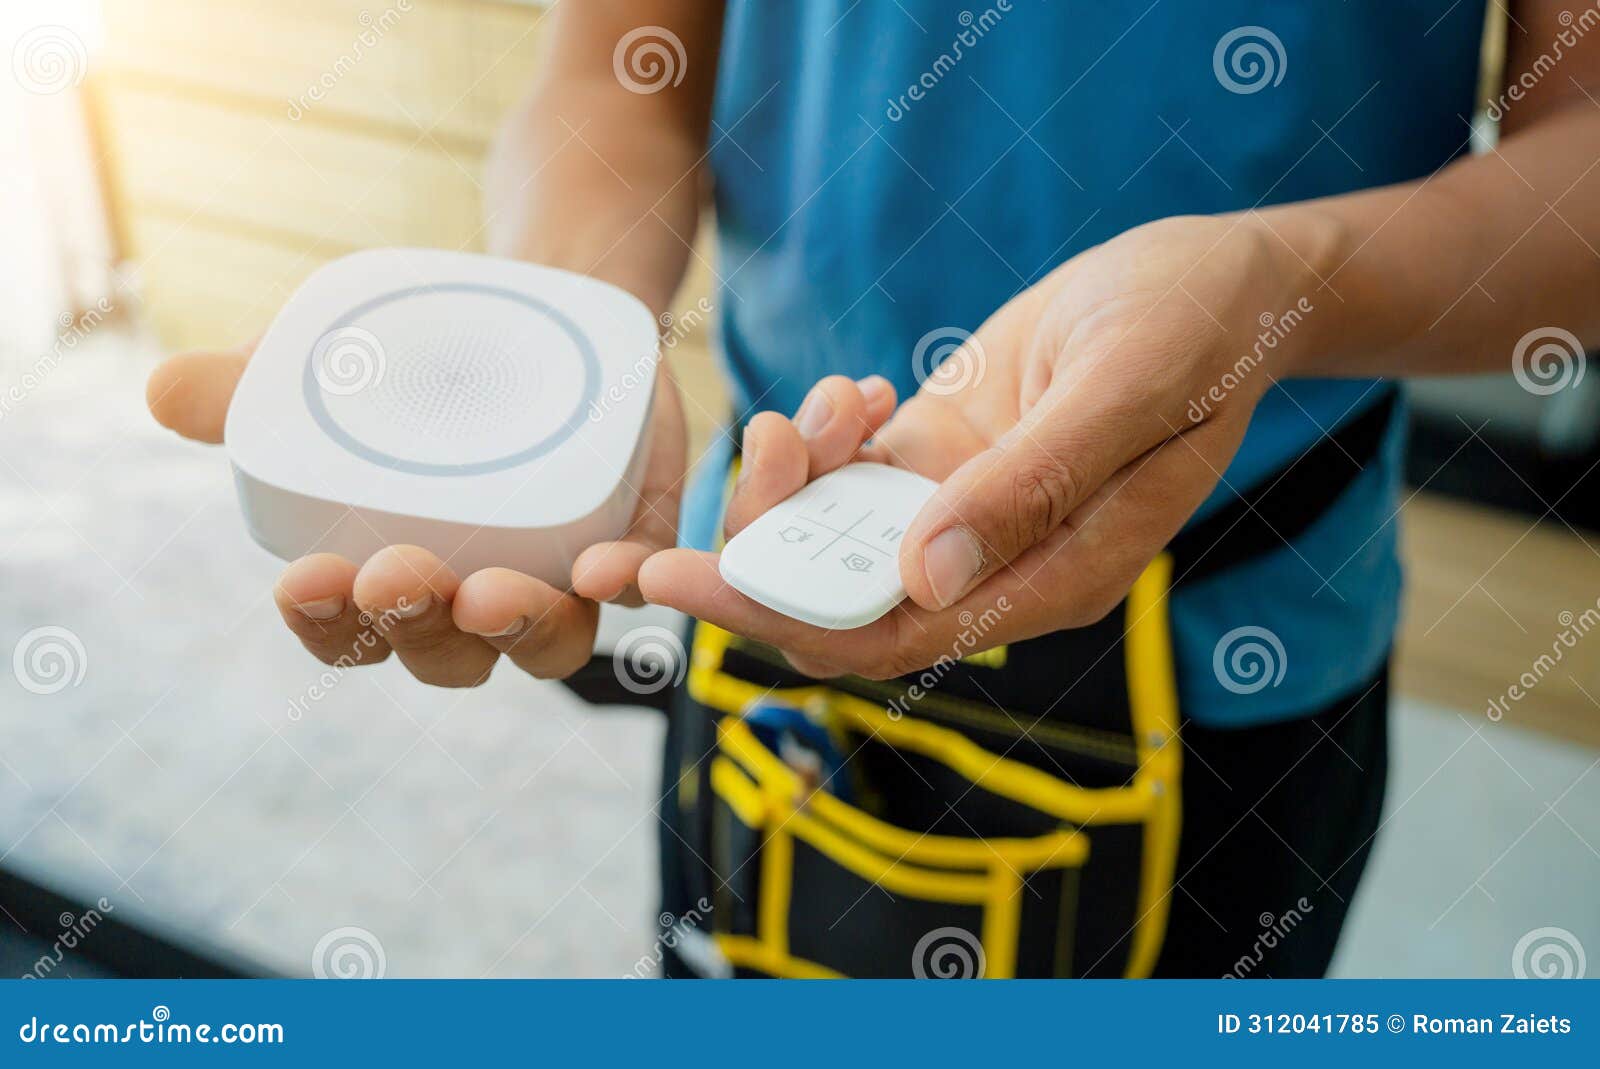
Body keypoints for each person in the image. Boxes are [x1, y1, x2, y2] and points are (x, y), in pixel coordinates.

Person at [148, 1, 1600, 976]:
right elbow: (617, 66)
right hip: (762, 552)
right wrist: (570, 366)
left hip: (1239, 634)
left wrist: (1280, 279)